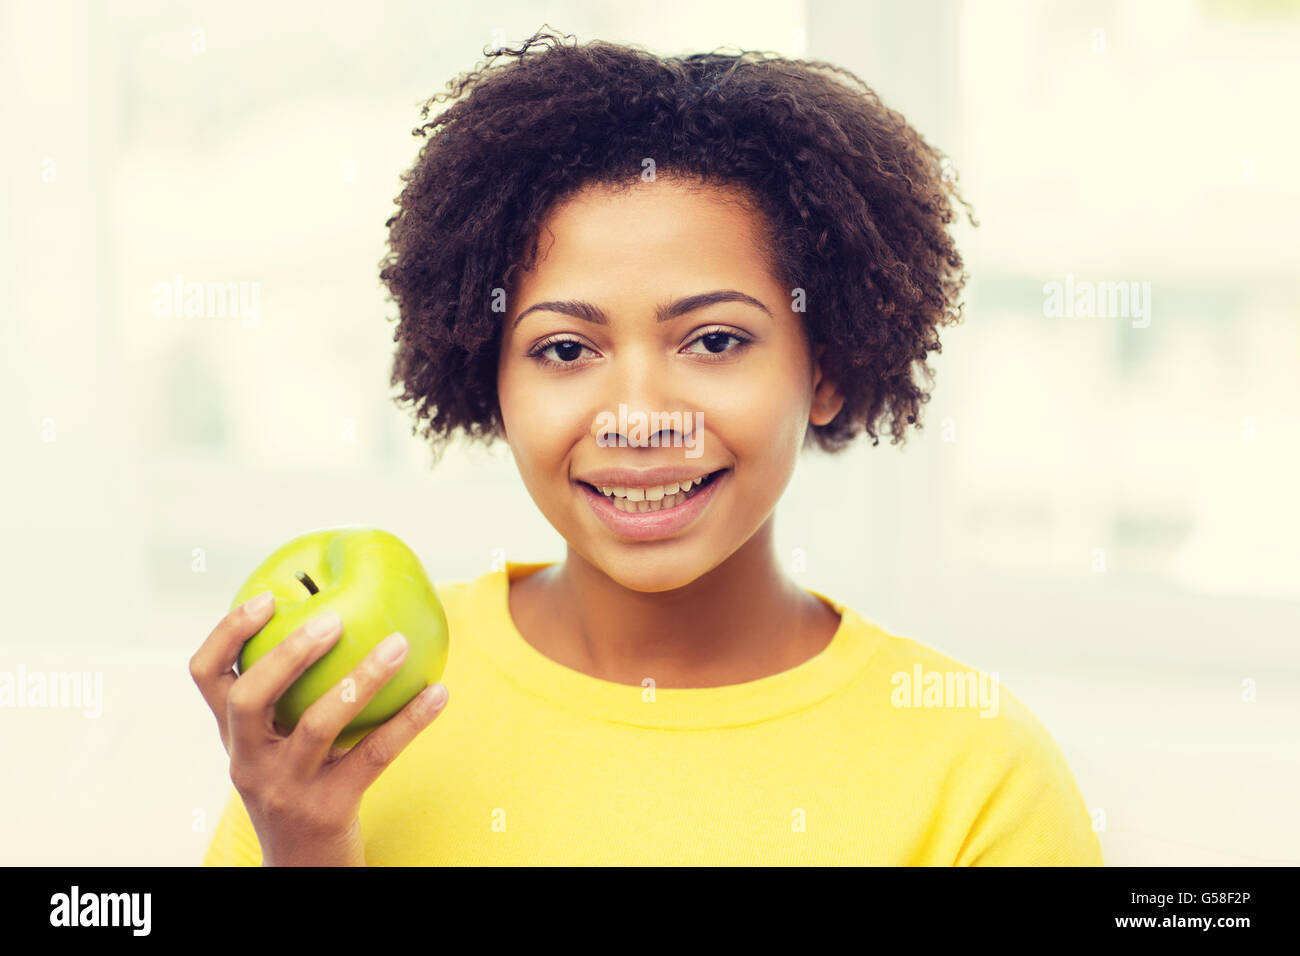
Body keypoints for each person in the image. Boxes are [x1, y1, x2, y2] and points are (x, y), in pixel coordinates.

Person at [193, 28, 1102, 866]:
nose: (639, 417)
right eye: (565, 350)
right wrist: (304, 845)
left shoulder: (975, 772)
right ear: (490, 377)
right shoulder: (356, 708)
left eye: (713, 341)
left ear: (825, 366)